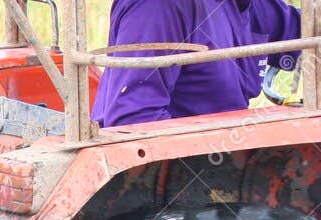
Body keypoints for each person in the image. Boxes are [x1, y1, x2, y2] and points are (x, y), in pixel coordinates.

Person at [94, 0, 301, 126]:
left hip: (224, 160)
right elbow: (132, 121)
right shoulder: (159, 7)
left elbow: (307, 29)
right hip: (164, 181)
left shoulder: (254, 6)